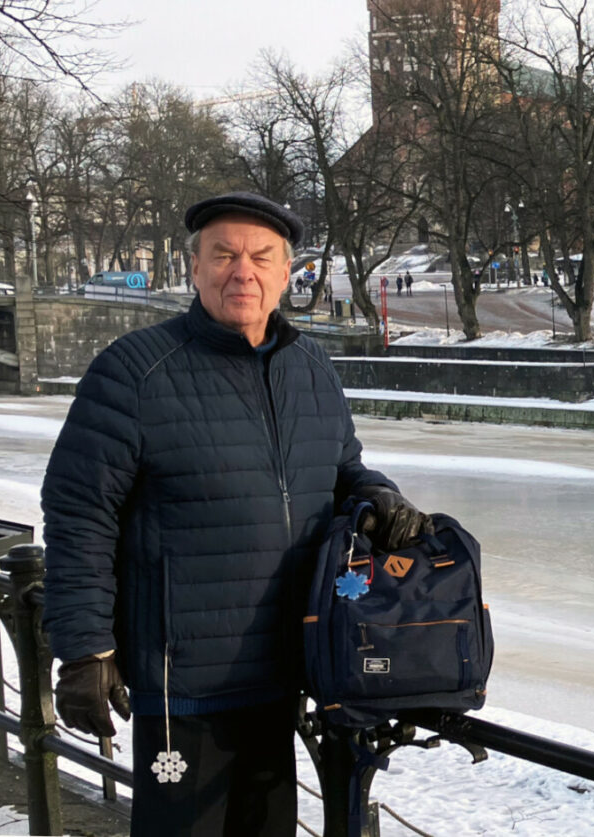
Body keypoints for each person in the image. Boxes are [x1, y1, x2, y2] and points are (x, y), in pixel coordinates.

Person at [41, 192, 430, 837]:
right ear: (195, 268)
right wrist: (84, 648)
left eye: (260, 257)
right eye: (223, 255)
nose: (240, 271)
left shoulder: (310, 367)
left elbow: (341, 468)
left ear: (286, 273)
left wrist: (379, 495)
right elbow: (81, 514)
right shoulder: (135, 370)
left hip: (286, 672)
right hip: (184, 682)